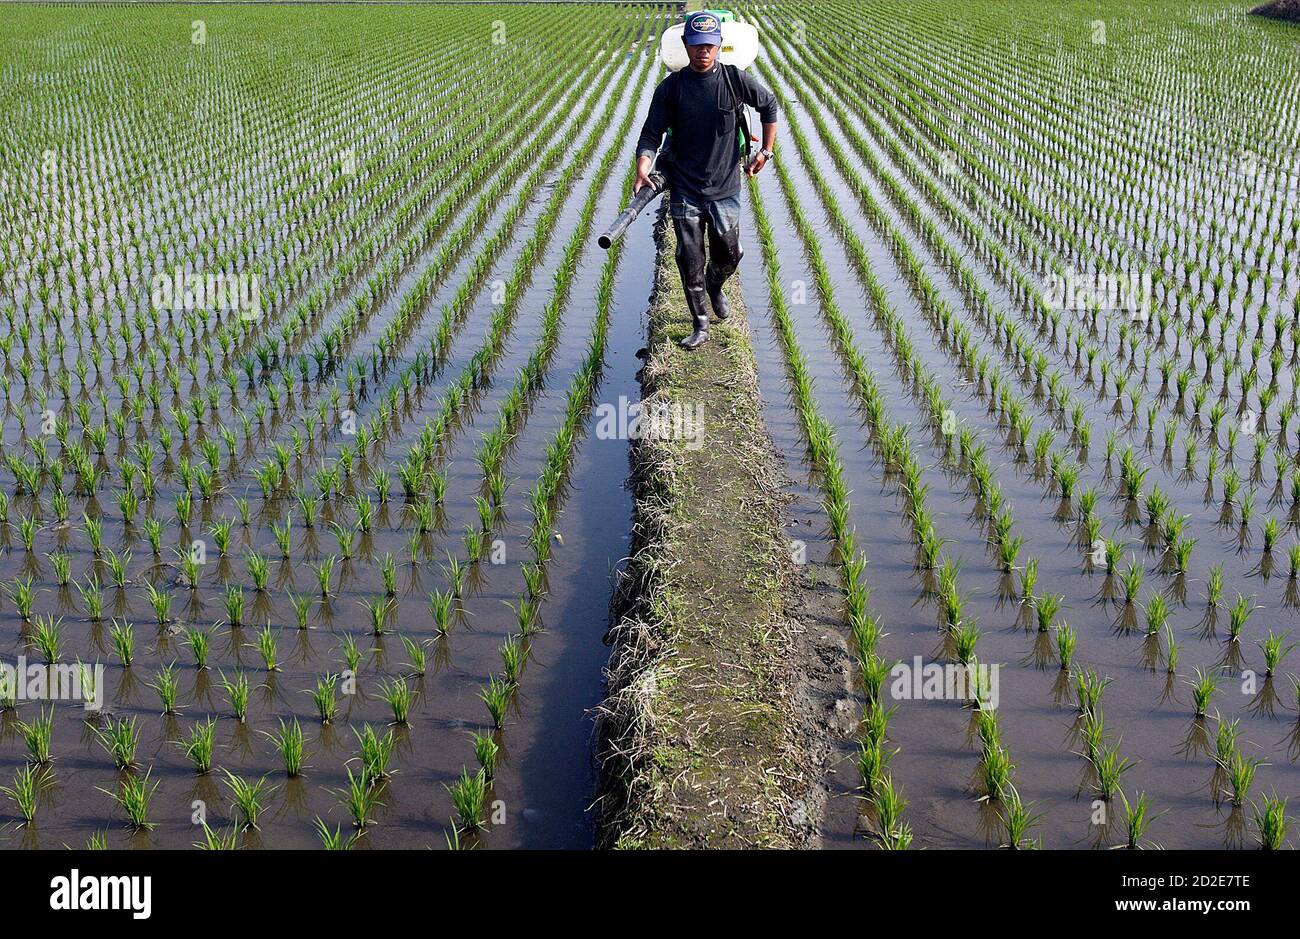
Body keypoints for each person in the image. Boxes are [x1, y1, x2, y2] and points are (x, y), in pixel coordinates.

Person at [633, 11, 778, 350]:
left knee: (729, 255)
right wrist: (643, 166)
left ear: (719, 46)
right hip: (685, 187)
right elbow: (651, 133)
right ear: (686, 45)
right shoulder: (671, 88)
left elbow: (769, 105)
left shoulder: (734, 80)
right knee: (689, 259)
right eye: (696, 45)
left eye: (710, 45)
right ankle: (700, 324)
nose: (703, 51)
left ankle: (716, 285)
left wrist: (766, 152)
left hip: (725, 186)